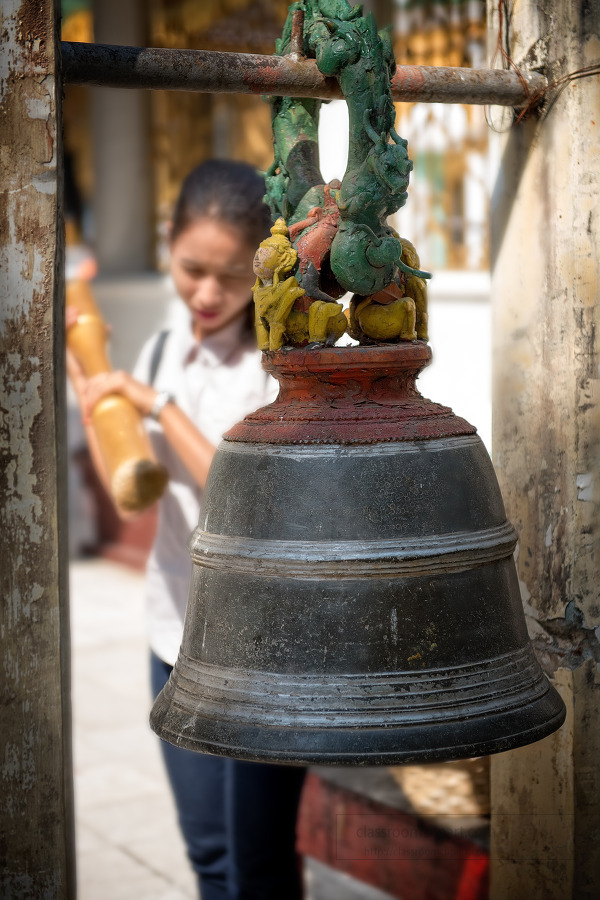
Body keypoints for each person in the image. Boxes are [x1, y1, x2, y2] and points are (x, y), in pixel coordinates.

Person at [67, 160, 306, 900]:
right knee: (208, 854)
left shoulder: (281, 369)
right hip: (173, 636)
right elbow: (133, 497)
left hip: (264, 654)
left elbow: (246, 501)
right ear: (168, 245)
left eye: (230, 277)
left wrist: (157, 404)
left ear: (259, 271)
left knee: (260, 866)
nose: (206, 294)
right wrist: (99, 412)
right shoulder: (164, 349)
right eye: (191, 268)